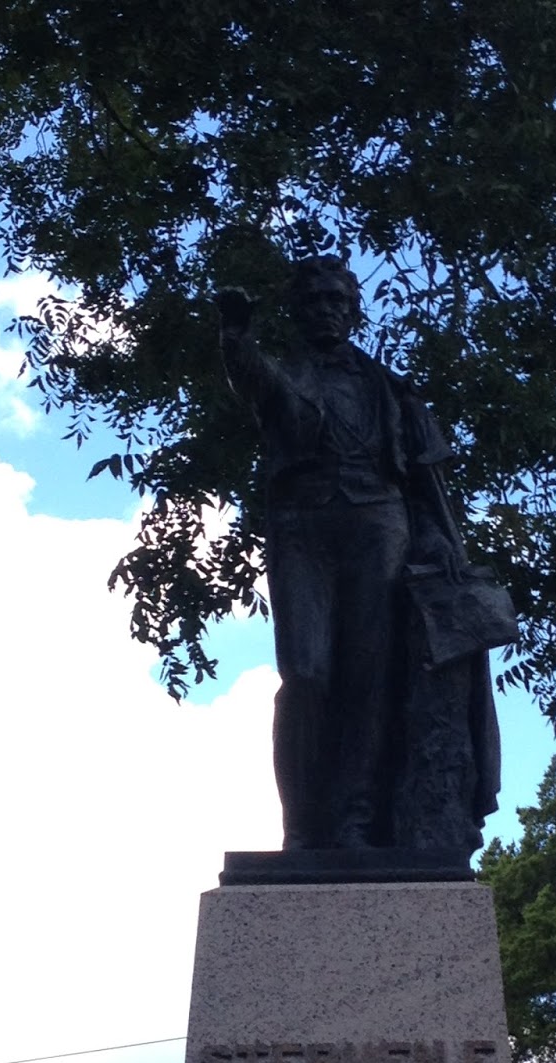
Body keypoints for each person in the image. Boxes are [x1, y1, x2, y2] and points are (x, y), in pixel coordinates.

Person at [218, 256, 500, 855]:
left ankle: (356, 820)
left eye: (336, 301)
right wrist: (236, 338)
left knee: (368, 680)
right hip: (303, 527)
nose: (325, 311)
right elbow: (256, 383)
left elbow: (424, 481)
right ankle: (301, 825)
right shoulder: (285, 375)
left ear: (352, 312)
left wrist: (438, 539)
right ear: (296, 312)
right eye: (313, 301)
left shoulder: (389, 387)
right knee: (306, 674)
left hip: (379, 526)